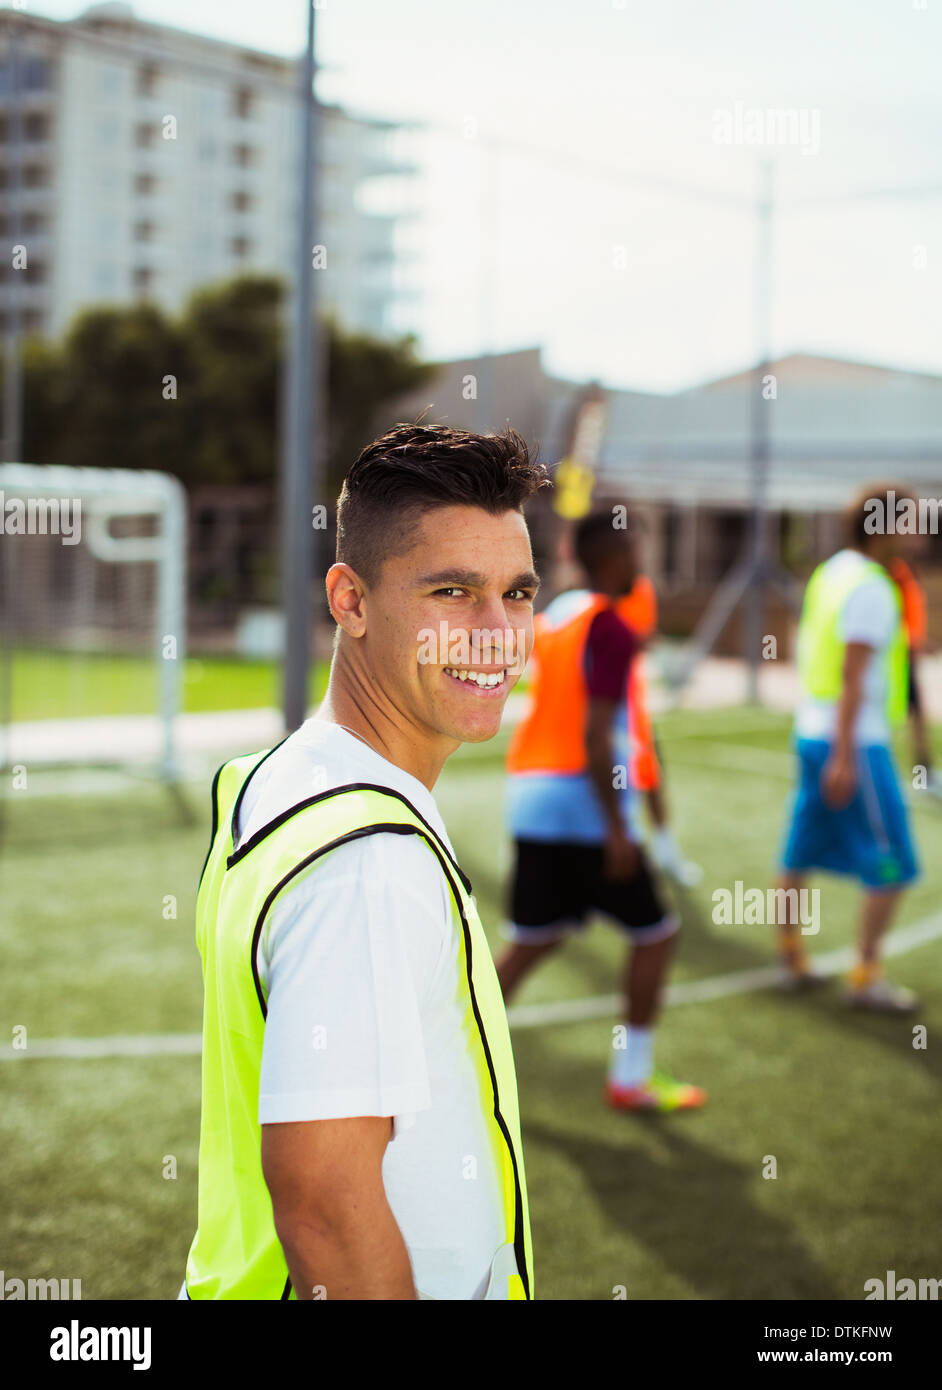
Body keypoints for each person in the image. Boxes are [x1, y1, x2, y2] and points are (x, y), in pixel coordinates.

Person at [180, 423, 546, 1300]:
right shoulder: (367, 863)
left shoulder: (282, 776)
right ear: (350, 600)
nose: (496, 633)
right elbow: (326, 1210)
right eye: (453, 591)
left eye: (518, 593)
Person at [497, 510, 706, 1112]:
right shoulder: (610, 627)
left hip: (532, 795)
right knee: (657, 935)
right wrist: (617, 828)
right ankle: (631, 1077)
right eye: (634, 550)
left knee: (534, 939)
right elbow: (595, 735)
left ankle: (451, 1062)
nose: (641, 561)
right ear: (612, 558)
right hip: (581, 804)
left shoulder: (559, 615)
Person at [776, 483, 923, 1011]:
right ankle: (865, 974)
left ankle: (790, 956)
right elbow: (853, 674)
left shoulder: (832, 571)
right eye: (908, 520)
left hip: (813, 733)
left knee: (799, 849)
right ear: (881, 526)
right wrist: (844, 754)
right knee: (896, 863)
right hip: (853, 743)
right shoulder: (872, 587)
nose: (918, 530)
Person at [615, 575, 702, 887]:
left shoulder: (640, 587)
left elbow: (640, 635)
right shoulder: (585, 592)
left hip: (630, 706)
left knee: (650, 775)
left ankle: (665, 850)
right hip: (598, 708)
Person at [891, 556, 942, 799]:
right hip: (898, 658)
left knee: (917, 718)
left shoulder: (910, 570)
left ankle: (924, 772)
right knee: (898, 718)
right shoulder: (895, 571)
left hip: (908, 654)